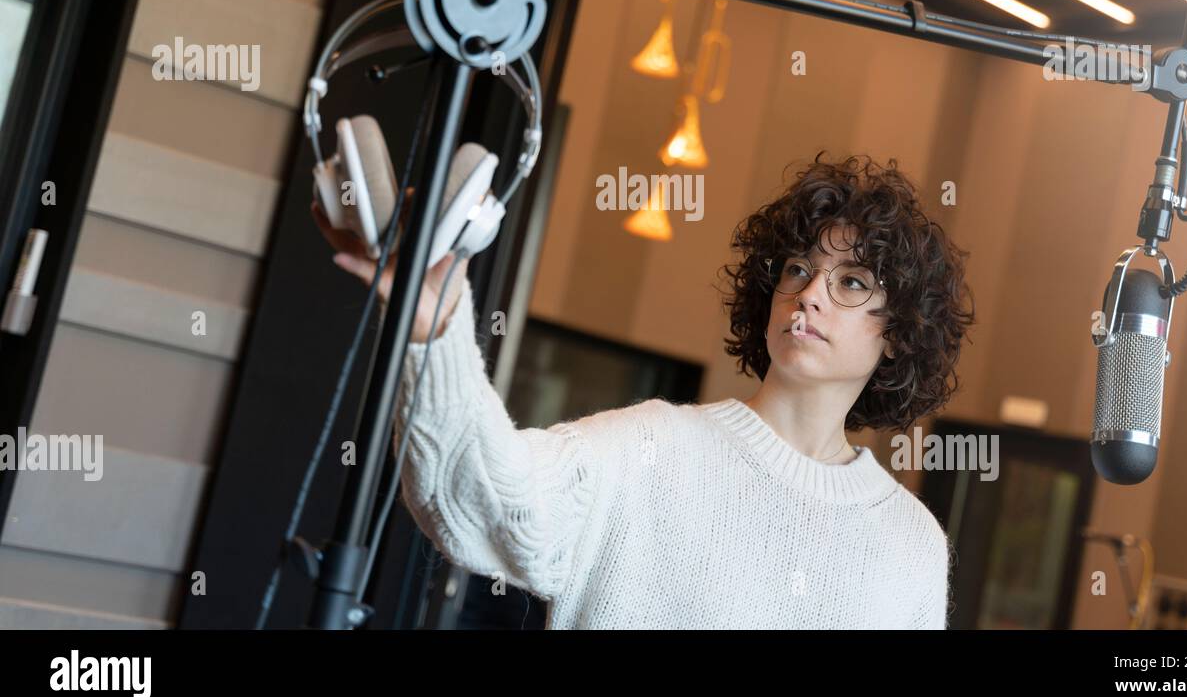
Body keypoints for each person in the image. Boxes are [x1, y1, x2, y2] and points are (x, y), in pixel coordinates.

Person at [314, 151, 976, 629]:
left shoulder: (911, 545)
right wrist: (434, 329)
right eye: (799, 269)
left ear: (899, 332)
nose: (808, 293)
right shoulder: (653, 447)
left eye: (851, 282)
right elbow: (476, 497)